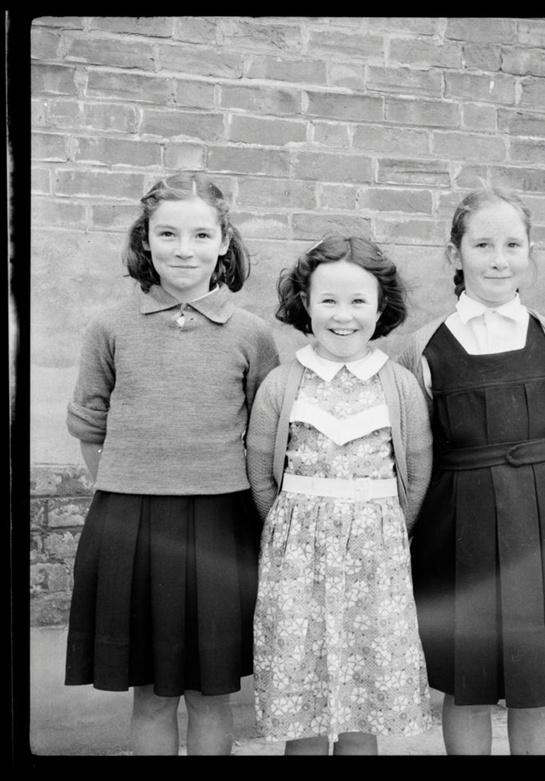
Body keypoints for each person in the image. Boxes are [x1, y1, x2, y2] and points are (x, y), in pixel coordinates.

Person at [65, 172, 279, 756]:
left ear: (224, 242)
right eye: (167, 234)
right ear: (145, 239)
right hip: (130, 523)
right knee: (152, 696)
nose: (184, 249)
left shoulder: (252, 334)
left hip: (220, 526)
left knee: (211, 695)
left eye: (201, 235)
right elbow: (89, 425)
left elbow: (265, 434)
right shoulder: (110, 326)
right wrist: (128, 487)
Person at [398, 186, 545, 755]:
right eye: (482, 245)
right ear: (455, 254)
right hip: (457, 530)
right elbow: (413, 452)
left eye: (513, 244)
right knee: (465, 683)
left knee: (535, 682)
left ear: (530, 251)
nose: (498, 259)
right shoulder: (422, 349)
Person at [245, 236, 433, 756]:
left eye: (358, 301)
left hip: (376, 560)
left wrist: (385, 530)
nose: (343, 315)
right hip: (296, 561)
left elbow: (417, 476)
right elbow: (261, 473)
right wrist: (291, 529)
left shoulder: (398, 385)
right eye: (328, 300)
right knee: (302, 694)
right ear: (305, 304)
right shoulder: (282, 383)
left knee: (362, 701)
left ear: (381, 306)